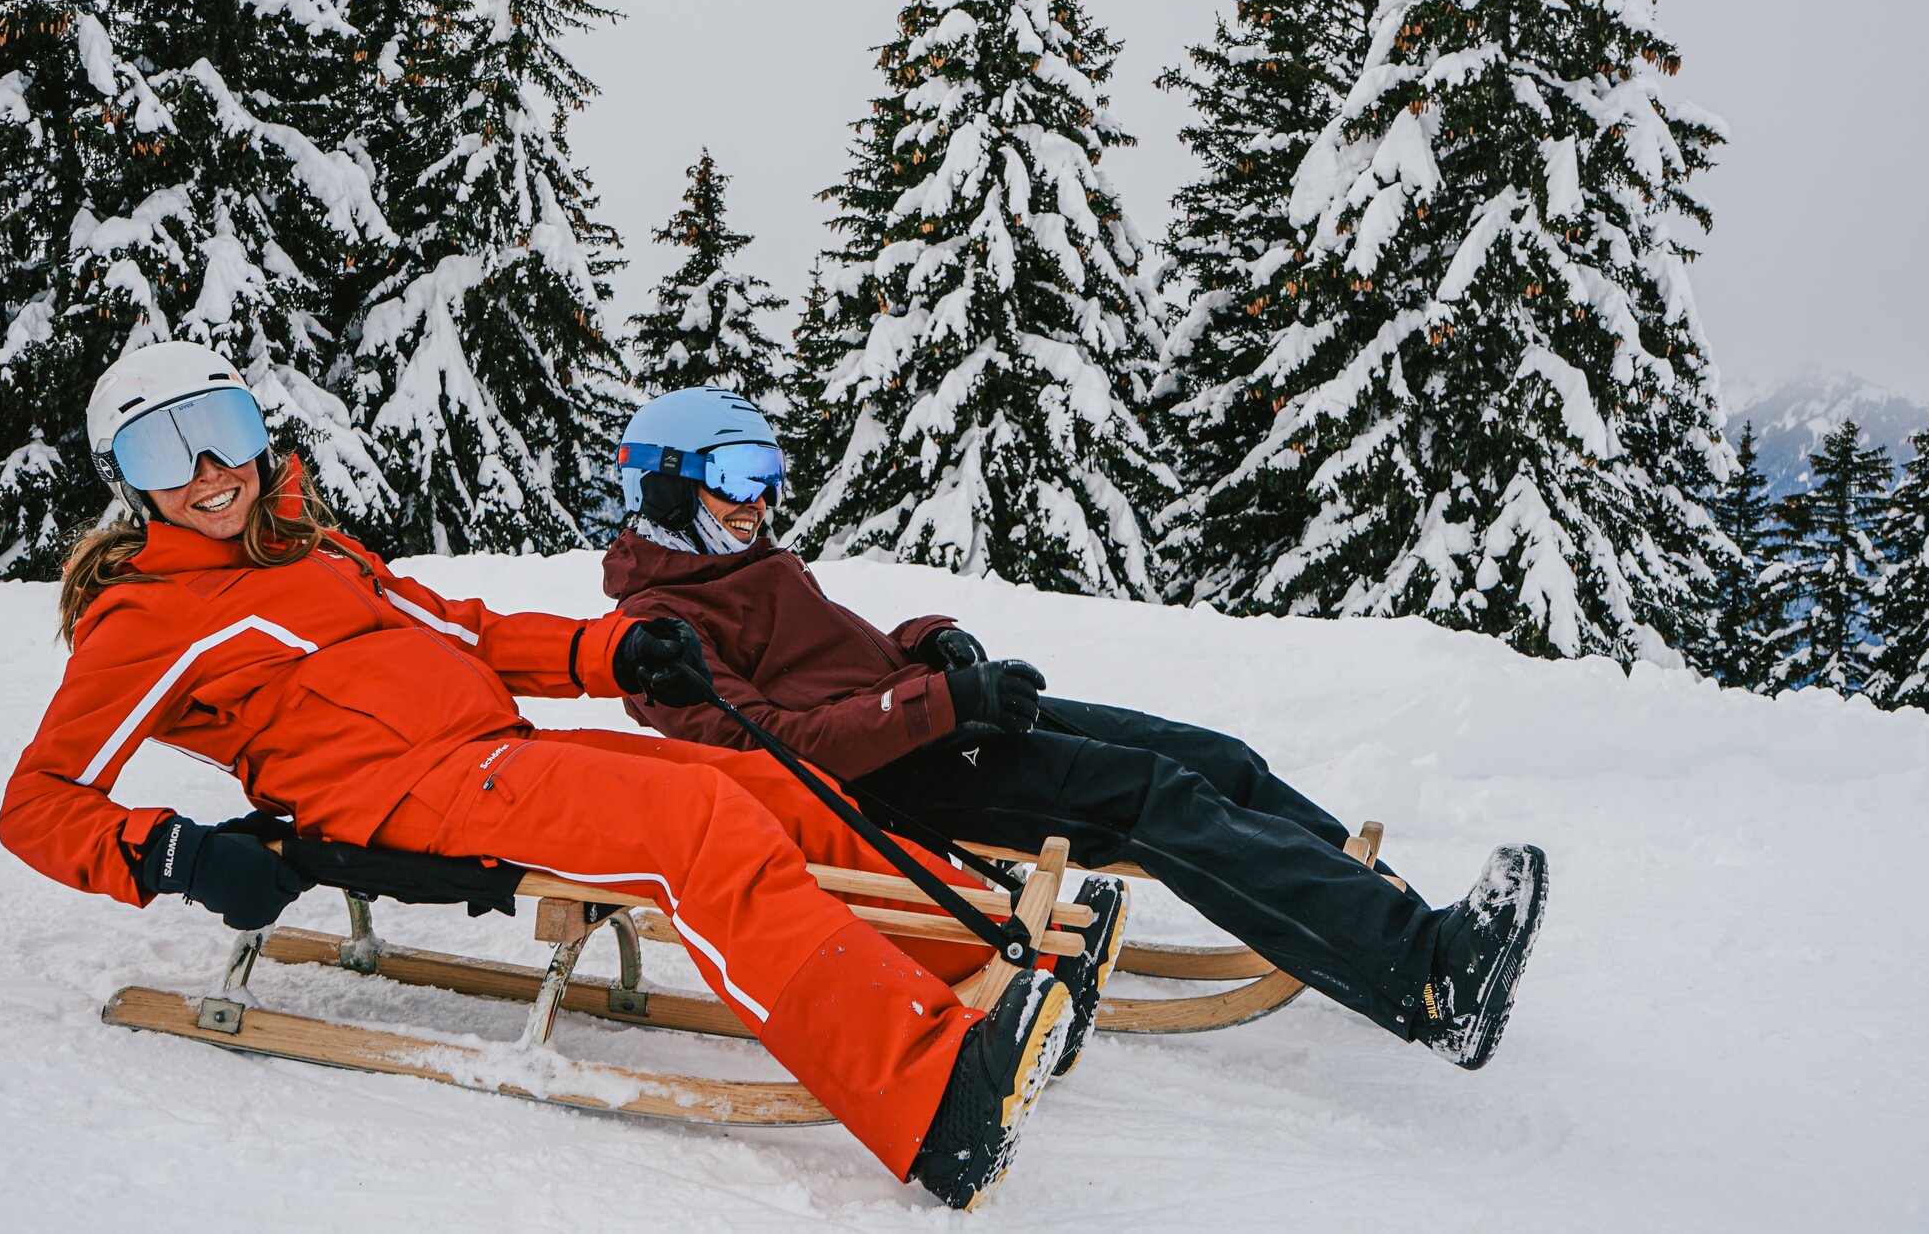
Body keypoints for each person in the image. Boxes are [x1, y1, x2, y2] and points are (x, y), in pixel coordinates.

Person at [0, 342, 1075, 1209]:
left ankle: (992, 956)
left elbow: (463, 627)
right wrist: (172, 852)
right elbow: (36, 804)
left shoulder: (318, 554)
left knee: (757, 784)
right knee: (695, 820)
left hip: (492, 749)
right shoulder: (142, 615)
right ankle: (932, 1101)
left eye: (223, 434)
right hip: (404, 795)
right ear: (125, 484)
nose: (209, 475)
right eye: (163, 453)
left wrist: (610, 651)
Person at [604, 388, 1550, 1071]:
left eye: (768, 474)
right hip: (891, 780)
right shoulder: (657, 634)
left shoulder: (749, 567)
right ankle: (1428, 977)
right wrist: (943, 704)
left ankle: (1374, 917)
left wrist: (930, 644)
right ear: (666, 487)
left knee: (1214, 759)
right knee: (1152, 800)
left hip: (924, 722)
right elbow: (773, 746)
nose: (759, 499)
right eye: (733, 477)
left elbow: (842, 661)